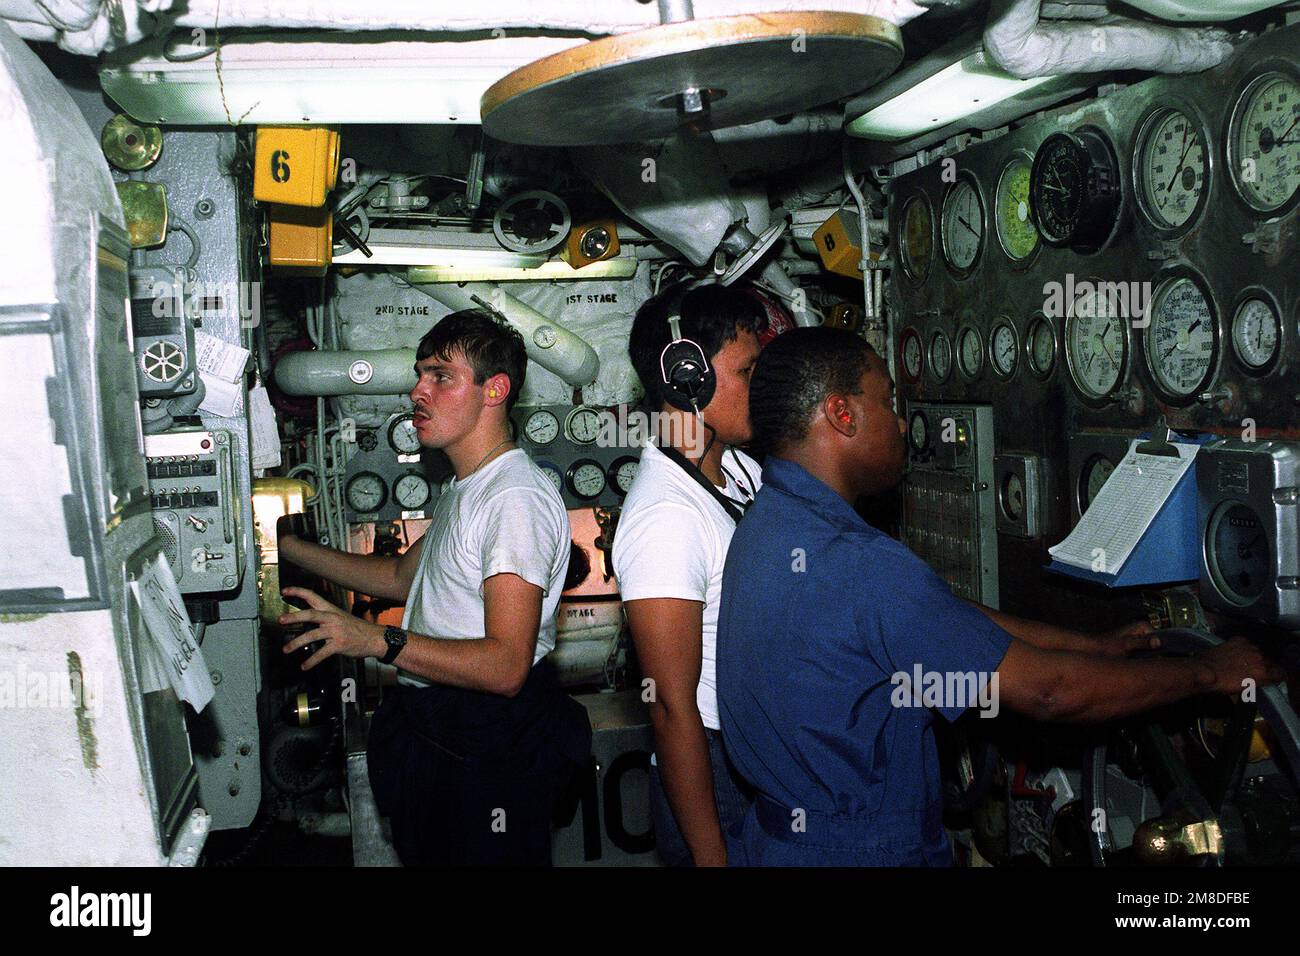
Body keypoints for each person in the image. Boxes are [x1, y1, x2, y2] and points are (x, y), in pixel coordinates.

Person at [716, 326, 1281, 866]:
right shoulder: (860, 562)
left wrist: (1092, 649)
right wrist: (1209, 672)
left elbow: (941, 617)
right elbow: (1050, 695)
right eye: (887, 402)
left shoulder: (766, 527)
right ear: (842, 414)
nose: (898, 422)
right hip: (863, 850)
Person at [277, 309, 591, 865]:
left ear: (495, 390)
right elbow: (400, 578)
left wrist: (376, 641)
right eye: (420, 374)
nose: (418, 391)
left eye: (441, 376)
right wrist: (286, 549)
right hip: (441, 736)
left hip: (485, 746)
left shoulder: (512, 499)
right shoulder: (466, 488)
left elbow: (506, 666)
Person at [612, 282, 766, 866]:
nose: (761, 386)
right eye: (747, 372)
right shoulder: (665, 518)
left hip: (753, 754)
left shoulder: (740, 469)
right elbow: (670, 706)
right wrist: (711, 857)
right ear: (686, 377)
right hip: (711, 773)